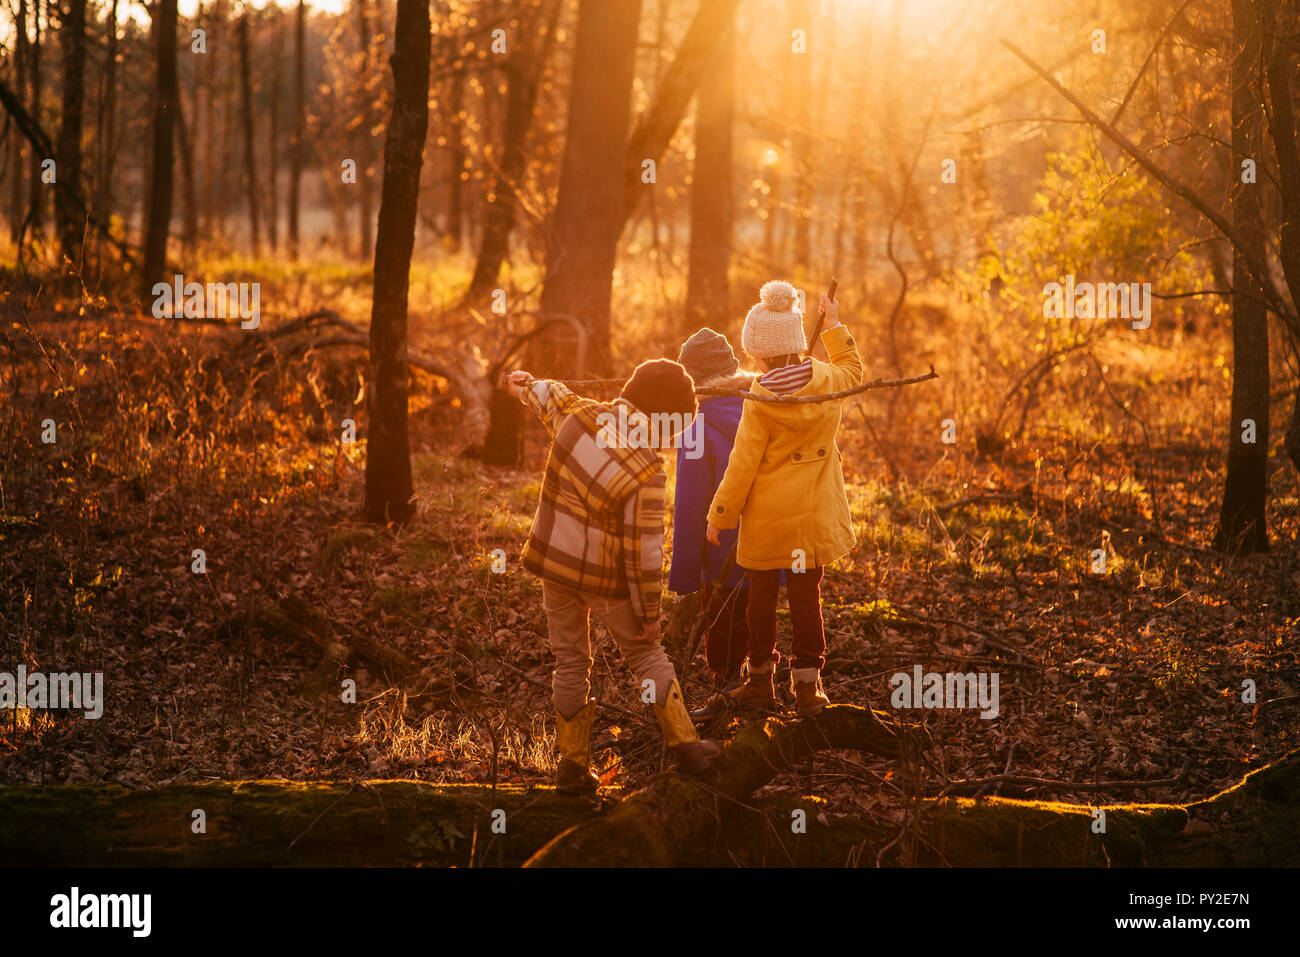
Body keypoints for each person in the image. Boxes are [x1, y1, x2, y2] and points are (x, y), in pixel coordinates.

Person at [507, 360, 719, 790]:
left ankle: (571, 767)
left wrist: (523, 385)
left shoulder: (578, 413)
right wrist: (648, 613)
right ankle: (689, 749)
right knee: (647, 654)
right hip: (605, 580)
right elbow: (644, 554)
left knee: (569, 661)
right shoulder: (647, 471)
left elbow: (550, 392)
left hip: (555, 566)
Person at [705, 280, 863, 715]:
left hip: (769, 522)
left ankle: (759, 680)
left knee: (761, 600)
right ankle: (809, 688)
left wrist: (720, 514)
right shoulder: (829, 379)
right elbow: (854, 370)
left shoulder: (759, 397)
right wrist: (833, 324)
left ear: (757, 351)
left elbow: (742, 463)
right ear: (797, 340)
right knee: (806, 599)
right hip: (809, 521)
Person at [668, 329, 755, 703]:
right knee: (758, 625)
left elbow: (689, 507)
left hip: (721, 557)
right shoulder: (764, 410)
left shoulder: (695, 427)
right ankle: (757, 685)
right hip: (769, 549)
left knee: (723, 634)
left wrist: (685, 576)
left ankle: (726, 693)